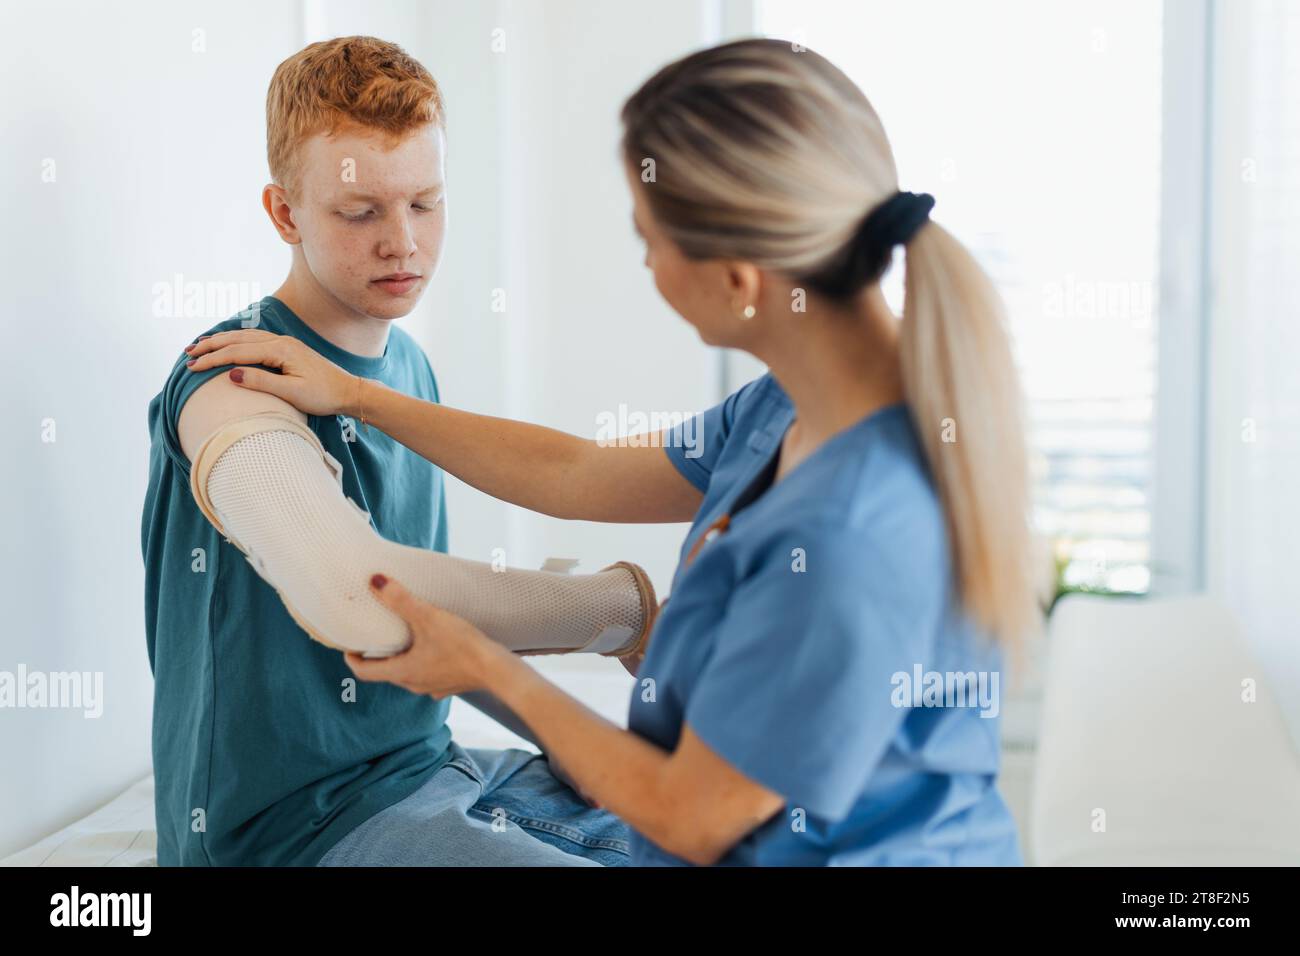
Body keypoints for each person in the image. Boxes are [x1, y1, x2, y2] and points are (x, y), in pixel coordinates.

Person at [183, 36, 1041, 865]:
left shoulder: (851, 529)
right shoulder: (786, 410)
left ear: (738, 281)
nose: (401, 240)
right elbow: (574, 473)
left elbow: (694, 815)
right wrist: (361, 396)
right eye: (361, 210)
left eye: (648, 240)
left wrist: (497, 667)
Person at [143, 35, 633, 867]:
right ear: (285, 213)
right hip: (298, 832)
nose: (402, 243)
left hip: (430, 770)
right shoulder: (228, 376)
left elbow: (424, 633)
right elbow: (357, 596)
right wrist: (616, 611)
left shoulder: (407, 371)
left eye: (425, 203)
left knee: (723, 838)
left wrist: (570, 734)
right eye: (361, 211)